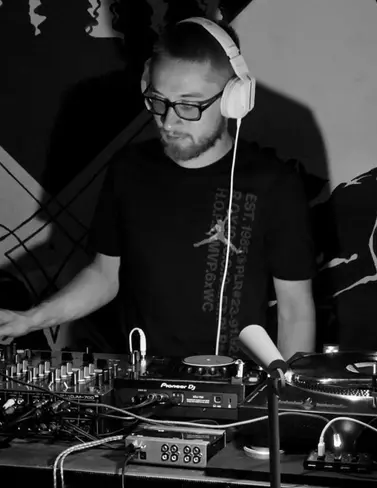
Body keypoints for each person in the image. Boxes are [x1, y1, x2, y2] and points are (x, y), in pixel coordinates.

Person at [0, 18, 316, 359]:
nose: (168, 121)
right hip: (141, 379)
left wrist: (288, 389)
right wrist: (30, 319)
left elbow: (294, 309)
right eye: (158, 100)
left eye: (189, 105)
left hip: (237, 384)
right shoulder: (128, 169)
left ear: (233, 100)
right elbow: (106, 275)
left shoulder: (274, 184)